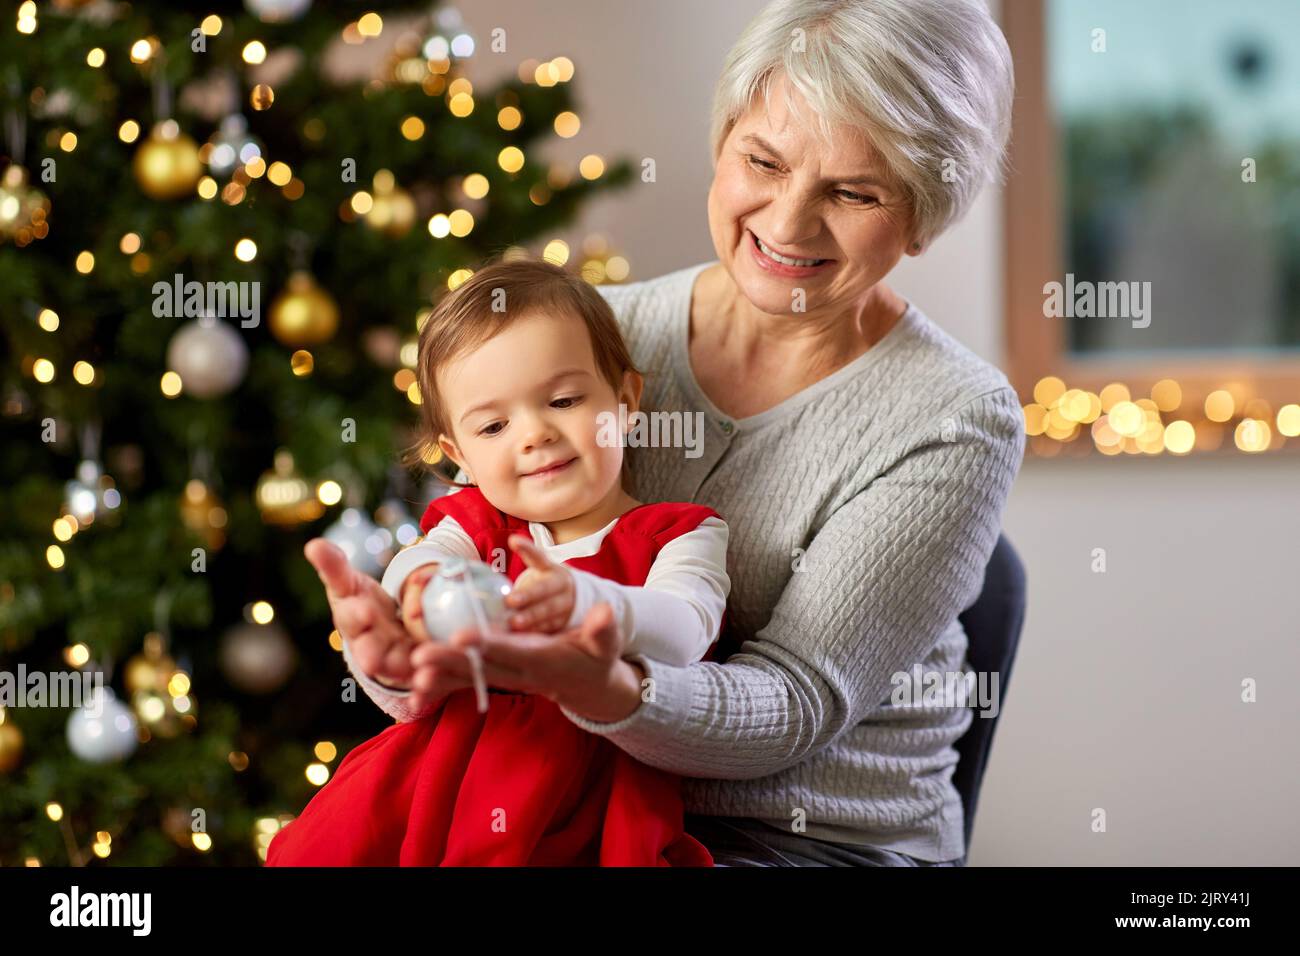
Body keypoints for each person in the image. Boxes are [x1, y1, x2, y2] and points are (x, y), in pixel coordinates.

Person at [311, 0, 1022, 867]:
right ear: (723, 144)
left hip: (810, 838)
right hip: (565, 810)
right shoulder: (591, 338)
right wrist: (397, 657)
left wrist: (611, 691)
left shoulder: (955, 415)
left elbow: (794, 704)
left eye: (852, 192)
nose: (787, 224)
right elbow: (464, 578)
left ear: (922, 213)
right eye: (763, 161)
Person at [269, 260, 730, 866]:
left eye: (563, 400)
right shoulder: (478, 527)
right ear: (459, 454)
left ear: (625, 400)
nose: (534, 434)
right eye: (493, 426)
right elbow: (423, 564)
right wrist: (413, 595)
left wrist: (587, 604)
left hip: (592, 807)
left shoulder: (678, 534)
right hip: (438, 790)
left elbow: (686, 630)